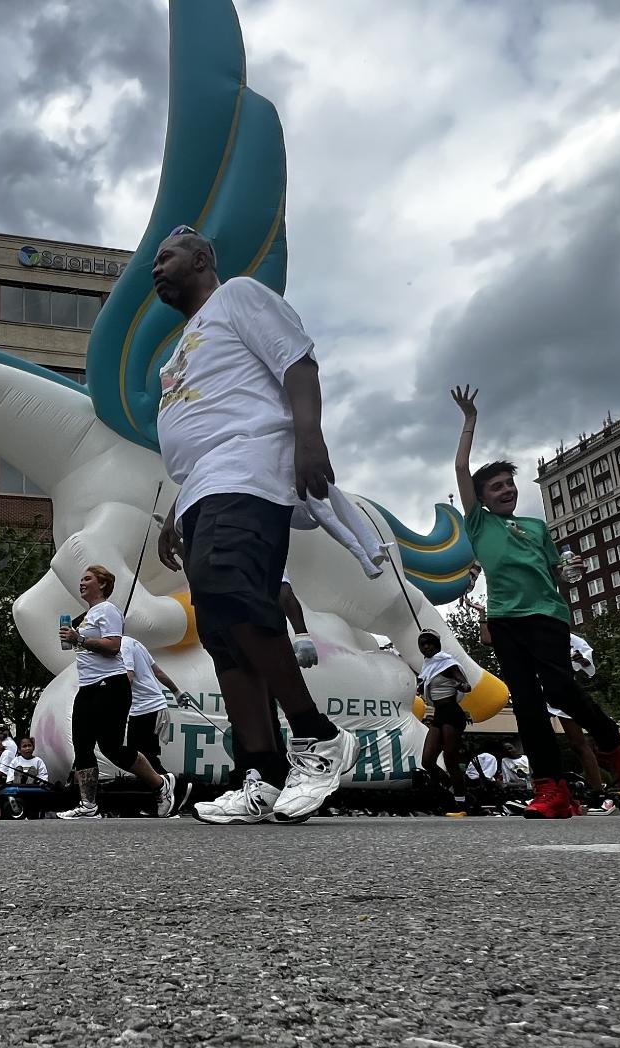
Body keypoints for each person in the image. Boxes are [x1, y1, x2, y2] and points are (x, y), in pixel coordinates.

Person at [151, 227, 356, 825]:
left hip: (251, 465)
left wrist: (308, 437)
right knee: (220, 631)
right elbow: (197, 431)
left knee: (230, 587)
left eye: (166, 257)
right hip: (203, 486)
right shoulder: (181, 347)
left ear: (201, 258)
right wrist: (174, 510)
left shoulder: (238, 296)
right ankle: (261, 774)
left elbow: (298, 360)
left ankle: (317, 738)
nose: (156, 269)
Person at [452, 385, 620, 818]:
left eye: (510, 484)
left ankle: (616, 747)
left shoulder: (535, 526)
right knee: (526, 704)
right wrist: (470, 420)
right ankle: (551, 790)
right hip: (506, 620)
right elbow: (461, 466)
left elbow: (557, 572)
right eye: (497, 487)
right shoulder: (479, 525)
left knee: (561, 689)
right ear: (482, 498)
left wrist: (568, 572)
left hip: (546, 616)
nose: (507, 490)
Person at [55, 566, 174, 820]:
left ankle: (161, 784)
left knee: (112, 748)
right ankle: (88, 805)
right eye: (81, 579)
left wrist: (79, 640)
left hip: (110, 684)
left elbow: (113, 646)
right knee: (82, 745)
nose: (82, 583)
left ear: (103, 584)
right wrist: (76, 638)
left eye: (87, 578)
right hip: (88, 686)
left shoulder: (108, 610)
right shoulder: (89, 615)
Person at [545, 633, 617, 814]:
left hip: (562, 691)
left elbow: (587, 663)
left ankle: (599, 793)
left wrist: (582, 660)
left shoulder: (566, 635)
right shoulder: (526, 633)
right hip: (536, 690)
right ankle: (545, 791)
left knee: (578, 744)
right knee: (540, 741)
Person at [121, 634, 190, 816]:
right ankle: (166, 795)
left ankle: (175, 788)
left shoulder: (123, 645)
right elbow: (157, 672)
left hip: (145, 708)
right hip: (150, 707)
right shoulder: (136, 643)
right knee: (145, 755)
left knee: (143, 757)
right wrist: (176, 692)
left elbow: (129, 677)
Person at [414, 630, 475, 815]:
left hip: (452, 713)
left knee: (450, 760)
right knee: (427, 761)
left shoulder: (446, 664)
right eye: (422, 644)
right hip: (439, 714)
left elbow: (466, 685)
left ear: (437, 644)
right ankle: (457, 790)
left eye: (429, 643)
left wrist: (460, 685)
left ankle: (461, 805)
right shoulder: (428, 666)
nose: (426, 647)